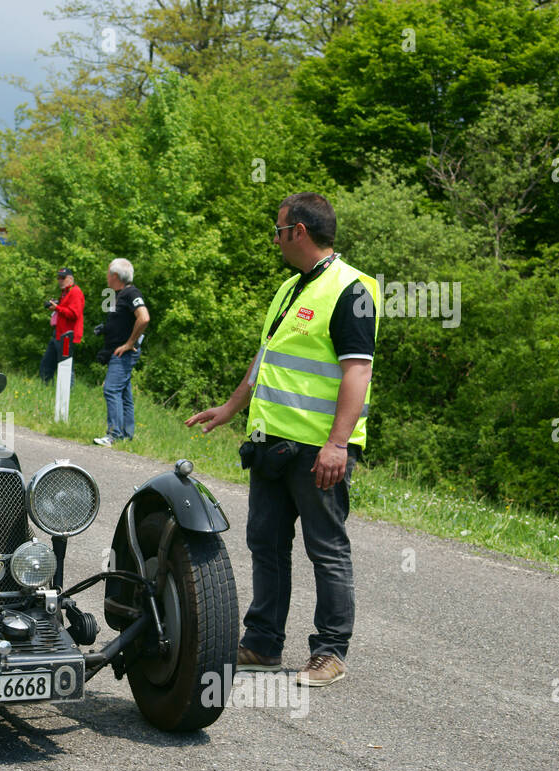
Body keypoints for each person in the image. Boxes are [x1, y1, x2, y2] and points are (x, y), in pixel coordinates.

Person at [185, 192, 379, 688]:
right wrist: (232, 407)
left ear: (299, 231)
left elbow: (357, 371)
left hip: (319, 451)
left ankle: (330, 652)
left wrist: (338, 444)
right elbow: (265, 357)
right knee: (266, 544)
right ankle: (262, 643)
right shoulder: (291, 287)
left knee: (326, 549)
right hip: (271, 442)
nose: (274, 238)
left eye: (278, 230)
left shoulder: (350, 289)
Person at [93, 258, 149, 447]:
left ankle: (113, 435)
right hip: (116, 352)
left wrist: (129, 343)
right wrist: (105, 329)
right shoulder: (117, 294)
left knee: (111, 389)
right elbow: (120, 321)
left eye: (108, 273)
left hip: (123, 353)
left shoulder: (131, 293)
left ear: (115, 276)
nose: (106, 276)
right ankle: (126, 435)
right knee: (124, 393)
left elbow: (144, 318)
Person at [39, 267, 84, 384]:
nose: (60, 280)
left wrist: (57, 308)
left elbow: (74, 314)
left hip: (66, 336)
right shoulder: (65, 292)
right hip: (58, 333)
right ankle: (45, 389)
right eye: (58, 277)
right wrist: (56, 305)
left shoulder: (75, 292)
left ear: (70, 279)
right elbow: (65, 309)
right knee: (46, 364)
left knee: (65, 366)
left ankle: (68, 393)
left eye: (63, 278)